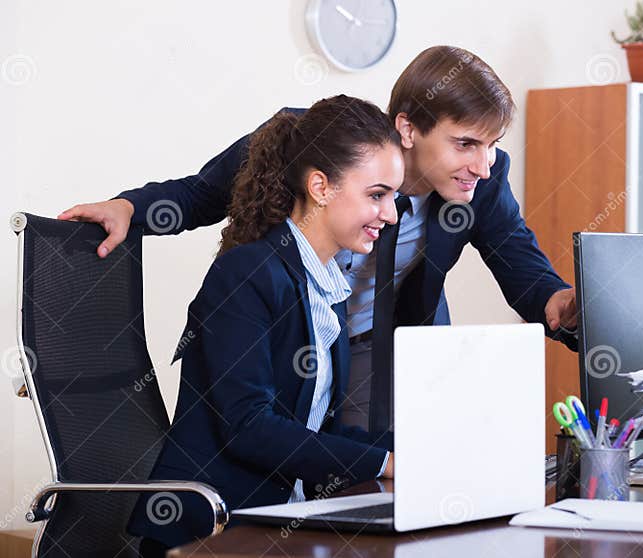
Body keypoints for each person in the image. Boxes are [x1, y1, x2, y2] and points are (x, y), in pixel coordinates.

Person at [59, 45, 578, 433]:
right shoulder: (316, 143)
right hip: (289, 335)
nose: (483, 164)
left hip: (381, 346)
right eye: (466, 143)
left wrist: (556, 302)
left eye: (492, 145)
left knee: (374, 482)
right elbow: (202, 193)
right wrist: (130, 208)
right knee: (271, 457)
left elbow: (515, 252)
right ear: (409, 129)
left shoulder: (481, 178)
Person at [128, 94, 404, 553]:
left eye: (393, 196)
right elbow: (250, 426)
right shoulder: (247, 275)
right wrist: (386, 462)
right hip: (212, 534)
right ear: (320, 187)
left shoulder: (325, 284)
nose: (391, 214)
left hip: (279, 524)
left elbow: (316, 428)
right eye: (377, 195)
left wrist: (420, 447)